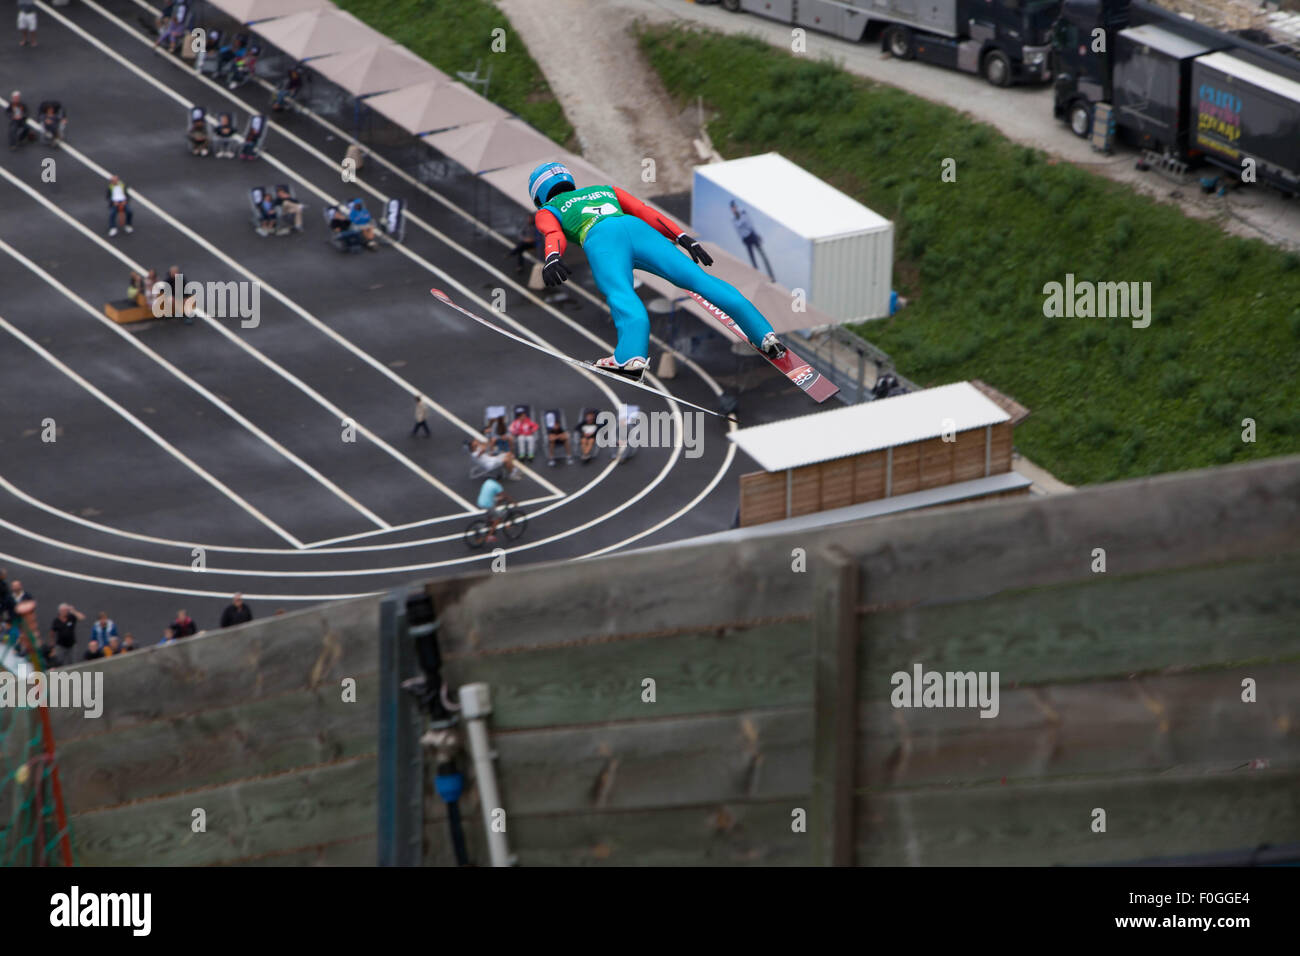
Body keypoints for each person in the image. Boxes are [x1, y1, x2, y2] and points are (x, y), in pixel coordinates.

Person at [527, 161, 785, 381]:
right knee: (701, 280)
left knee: (622, 293)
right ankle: (764, 334)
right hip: (639, 230)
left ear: (539, 196)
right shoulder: (604, 190)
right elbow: (645, 211)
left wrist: (552, 258)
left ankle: (631, 358)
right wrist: (684, 237)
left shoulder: (548, 210)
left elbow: (553, 233)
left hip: (601, 239)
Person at [730, 200, 775, 280]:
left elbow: (750, 224)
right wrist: (742, 239)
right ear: (731, 209)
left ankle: (772, 276)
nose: (734, 209)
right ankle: (757, 276)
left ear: (736, 207)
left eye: (734, 207)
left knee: (763, 255)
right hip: (745, 239)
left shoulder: (743, 213)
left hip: (752, 235)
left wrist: (757, 235)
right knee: (752, 258)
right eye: (732, 208)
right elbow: (738, 230)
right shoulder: (733, 219)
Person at [476, 476, 513, 545]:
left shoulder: (488, 481)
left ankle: (489, 520)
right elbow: (504, 495)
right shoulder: (497, 486)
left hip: (480, 501)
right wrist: (512, 501)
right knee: (498, 518)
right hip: (488, 504)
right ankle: (489, 536)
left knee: (494, 507)